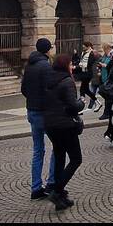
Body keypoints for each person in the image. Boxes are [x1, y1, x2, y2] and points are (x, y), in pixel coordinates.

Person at [42, 52, 86, 210]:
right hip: (65, 125)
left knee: (60, 157)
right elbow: (73, 105)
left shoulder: (49, 79)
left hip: (50, 125)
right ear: (65, 66)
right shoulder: (67, 81)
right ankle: (57, 190)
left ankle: (60, 196)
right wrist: (81, 102)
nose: (72, 67)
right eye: (70, 64)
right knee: (76, 159)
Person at [21, 37, 57, 200]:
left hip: (32, 111)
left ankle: (36, 188)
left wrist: (32, 100)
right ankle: (51, 182)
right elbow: (51, 90)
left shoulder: (29, 65)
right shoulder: (46, 66)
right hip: (45, 112)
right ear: (48, 50)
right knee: (58, 146)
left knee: (38, 150)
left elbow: (24, 89)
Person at [74, 41, 98, 109]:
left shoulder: (92, 53)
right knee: (85, 89)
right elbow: (81, 61)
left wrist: (78, 66)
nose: (83, 46)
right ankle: (96, 102)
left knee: (82, 89)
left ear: (88, 46)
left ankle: (81, 105)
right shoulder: (83, 53)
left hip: (88, 74)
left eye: (84, 45)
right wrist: (75, 55)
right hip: (83, 73)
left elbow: (89, 63)